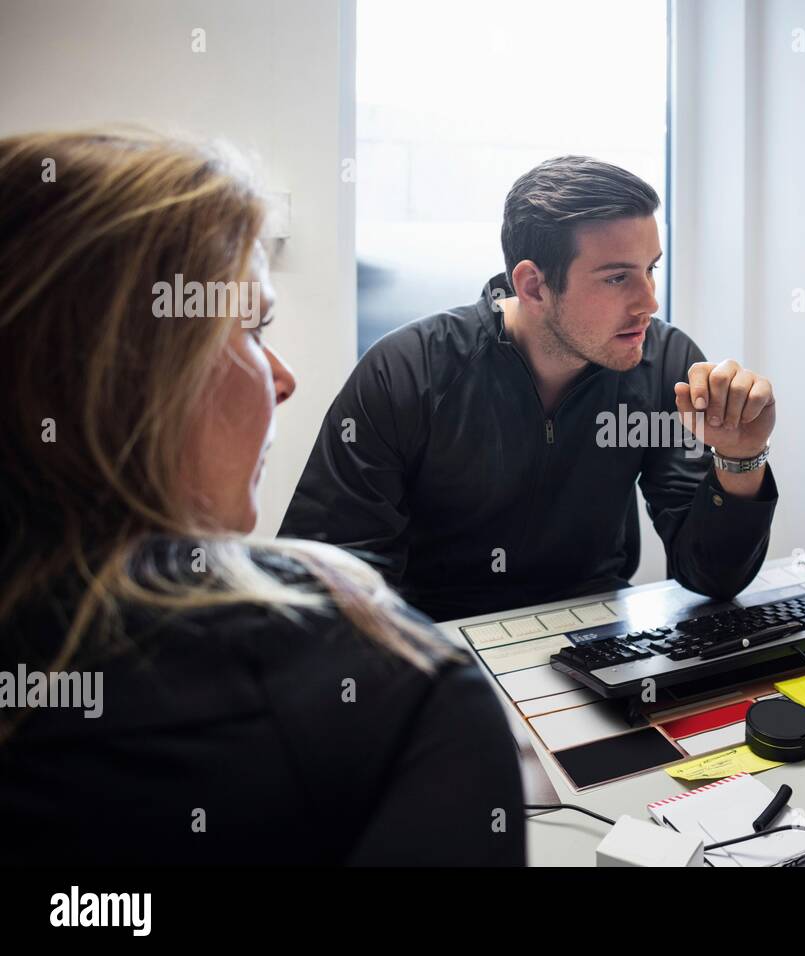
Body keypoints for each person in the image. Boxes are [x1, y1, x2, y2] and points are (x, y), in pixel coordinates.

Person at [0, 130, 524, 865]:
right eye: (251, 328)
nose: (283, 380)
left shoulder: (669, 366)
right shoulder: (400, 693)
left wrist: (737, 466)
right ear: (119, 377)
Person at [281, 156, 779, 621]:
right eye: (616, 279)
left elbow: (711, 579)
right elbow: (327, 583)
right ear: (534, 285)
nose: (648, 301)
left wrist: (740, 461)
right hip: (438, 638)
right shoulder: (408, 371)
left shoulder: (666, 363)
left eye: (651, 269)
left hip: (598, 636)